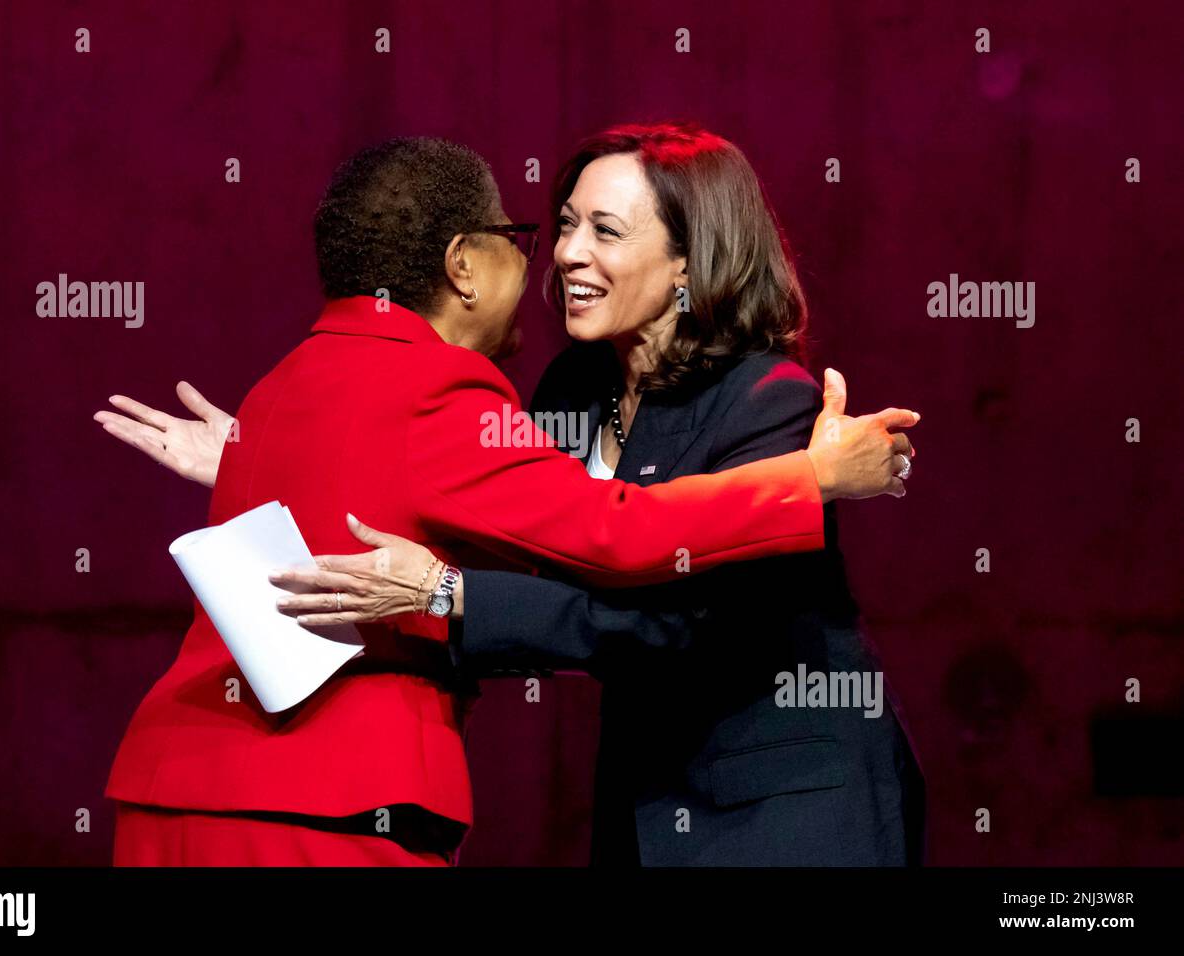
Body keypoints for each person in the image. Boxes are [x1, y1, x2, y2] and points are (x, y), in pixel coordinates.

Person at [98, 135, 919, 866]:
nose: (563, 253)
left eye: (604, 230)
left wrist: (808, 477)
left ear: (688, 261)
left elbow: (667, 616)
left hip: (788, 806)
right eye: (561, 224)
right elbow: (502, 550)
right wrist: (298, 468)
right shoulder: (565, 394)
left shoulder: (770, 401)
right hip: (642, 807)